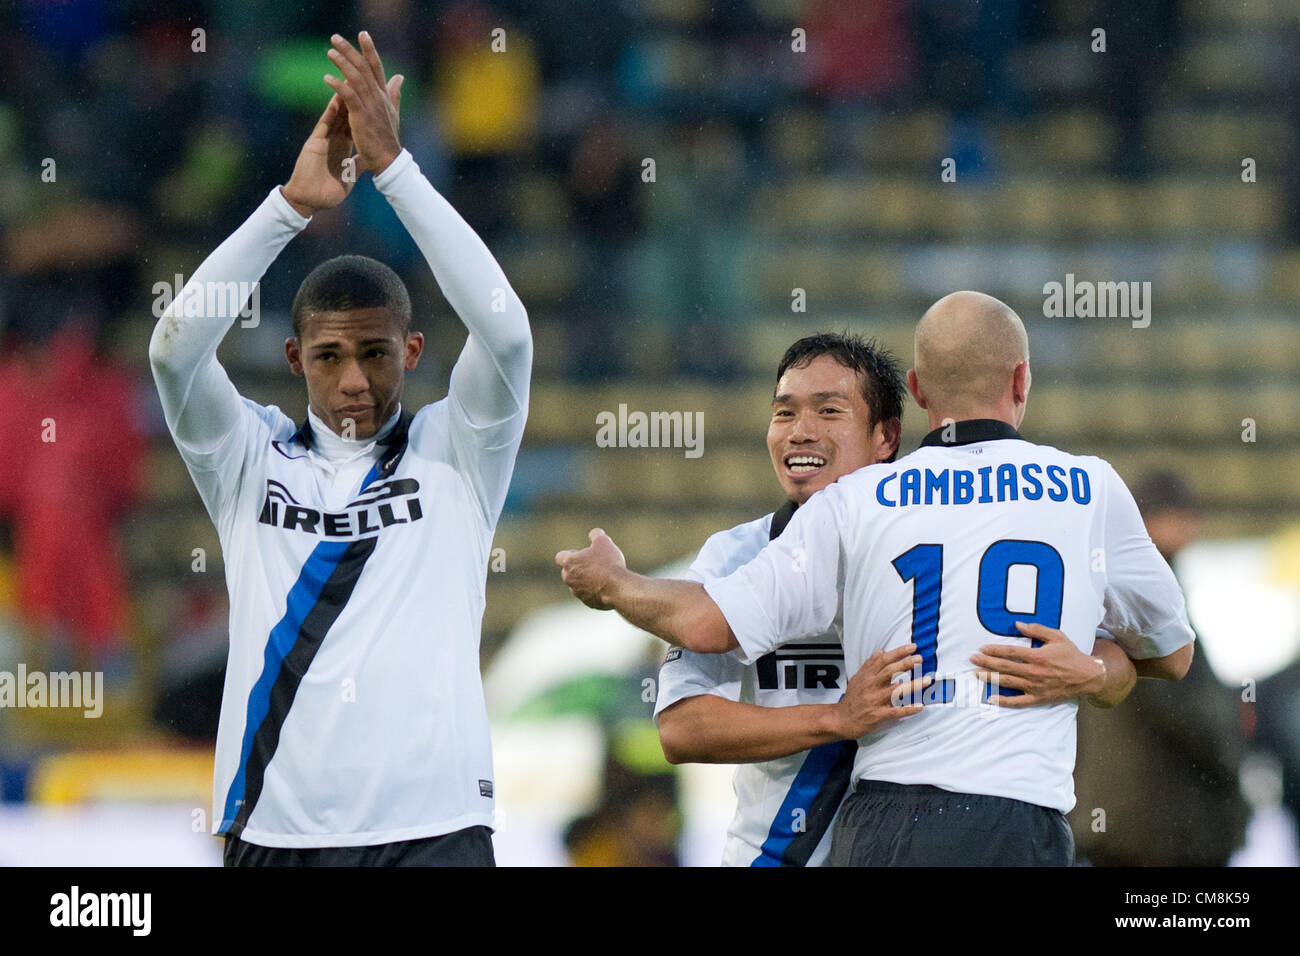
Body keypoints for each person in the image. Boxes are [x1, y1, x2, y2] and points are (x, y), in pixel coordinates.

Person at [557, 290, 1192, 866]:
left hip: (882, 827)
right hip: (906, 837)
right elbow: (1169, 650)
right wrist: (836, 717)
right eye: (784, 413)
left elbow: (705, 621)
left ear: (904, 412)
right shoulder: (1087, 487)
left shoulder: (860, 502)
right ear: (1022, 380)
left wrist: (615, 583)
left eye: (829, 411)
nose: (802, 431)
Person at [149, 32, 531, 865]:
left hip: (434, 830)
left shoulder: (457, 452)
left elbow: (505, 335)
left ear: (415, 353)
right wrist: (289, 205)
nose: (354, 379)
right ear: (295, 361)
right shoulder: (248, 459)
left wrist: (397, 173)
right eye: (329, 356)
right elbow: (174, 350)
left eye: (376, 354)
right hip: (273, 830)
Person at [1070, 471, 1250, 865]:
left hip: (1117, 820)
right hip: (1161, 827)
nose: (1192, 529)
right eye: (1182, 517)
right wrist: (1235, 767)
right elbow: (1193, 716)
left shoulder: (1096, 582)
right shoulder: (1145, 591)